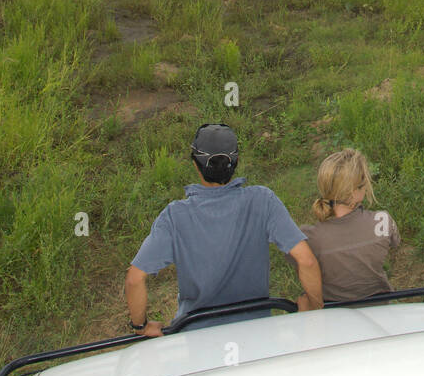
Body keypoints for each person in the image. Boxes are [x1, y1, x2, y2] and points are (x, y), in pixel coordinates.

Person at [125, 123, 322, 335]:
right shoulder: (263, 200)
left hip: (197, 336)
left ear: (195, 164)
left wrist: (141, 326)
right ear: (236, 161)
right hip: (258, 333)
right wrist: (315, 306)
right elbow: (306, 260)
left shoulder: (174, 216)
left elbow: (135, 279)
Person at [299, 149, 400, 303]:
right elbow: (395, 243)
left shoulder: (307, 237)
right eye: (364, 183)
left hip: (332, 314)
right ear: (354, 192)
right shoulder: (382, 221)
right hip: (380, 308)